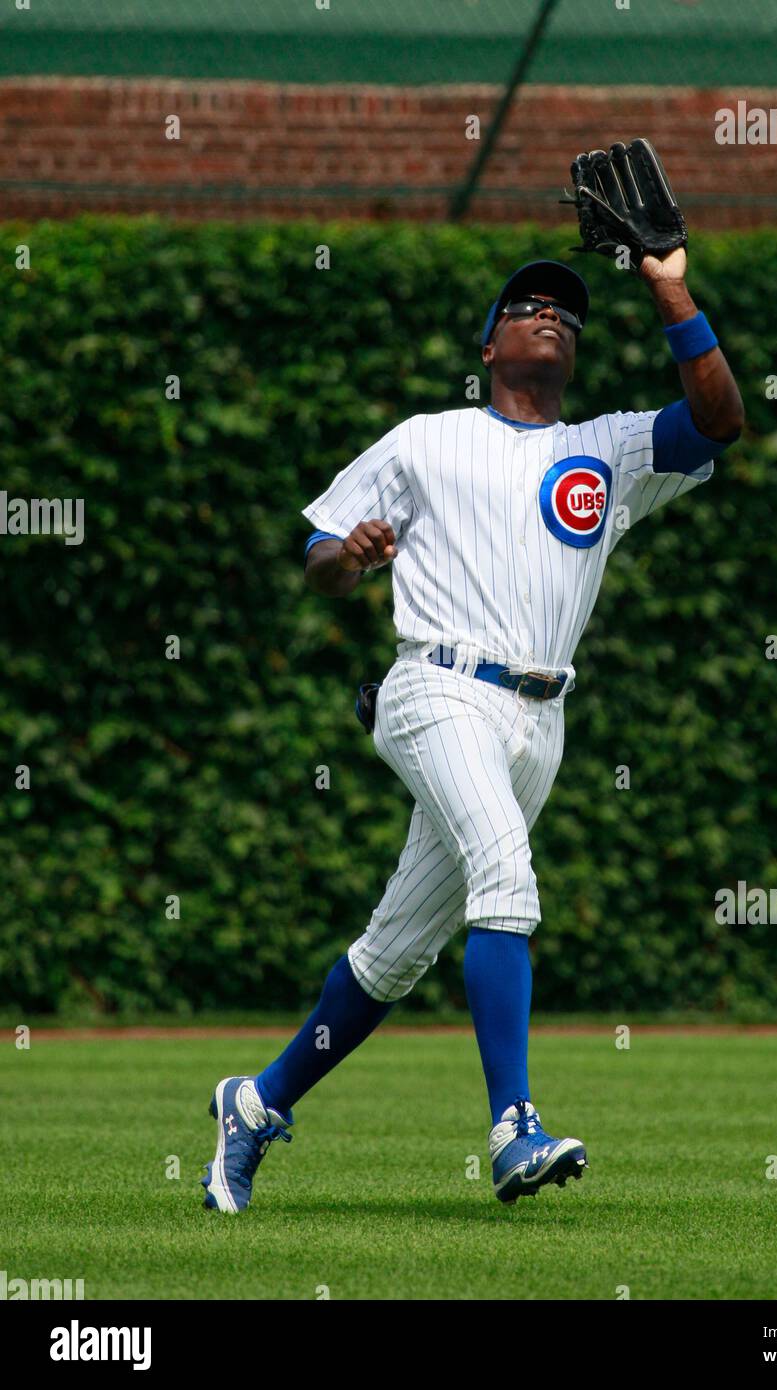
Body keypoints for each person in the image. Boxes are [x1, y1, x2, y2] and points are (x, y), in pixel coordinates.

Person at [201, 246, 744, 1212]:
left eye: (567, 313)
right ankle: (513, 1129)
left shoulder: (607, 452)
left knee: (394, 953)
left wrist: (669, 287)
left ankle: (255, 1102)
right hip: (434, 687)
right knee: (505, 874)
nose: (551, 316)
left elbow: (721, 421)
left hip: (541, 721)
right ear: (489, 343)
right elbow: (319, 550)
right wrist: (349, 558)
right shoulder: (424, 439)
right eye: (529, 306)